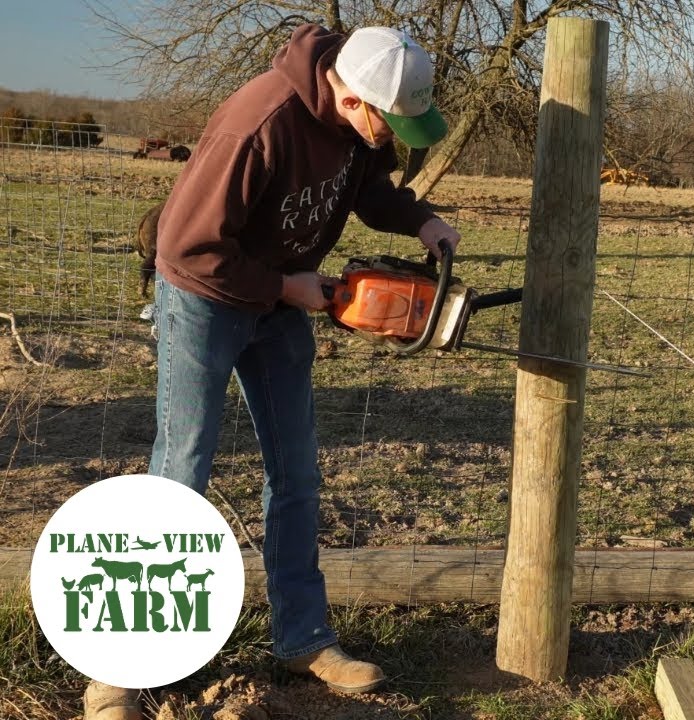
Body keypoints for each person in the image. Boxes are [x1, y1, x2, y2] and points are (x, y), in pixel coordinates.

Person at [83, 24, 460, 720]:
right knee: (182, 468)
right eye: (392, 123)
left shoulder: (356, 131)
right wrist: (287, 287)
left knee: (296, 471)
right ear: (353, 101)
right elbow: (187, 246)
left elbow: (369, 187)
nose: (396, 137)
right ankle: (120, 669)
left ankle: (303, 638)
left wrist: (422, 221)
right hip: (204, 295)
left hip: (281, 296)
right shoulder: (258, 126)